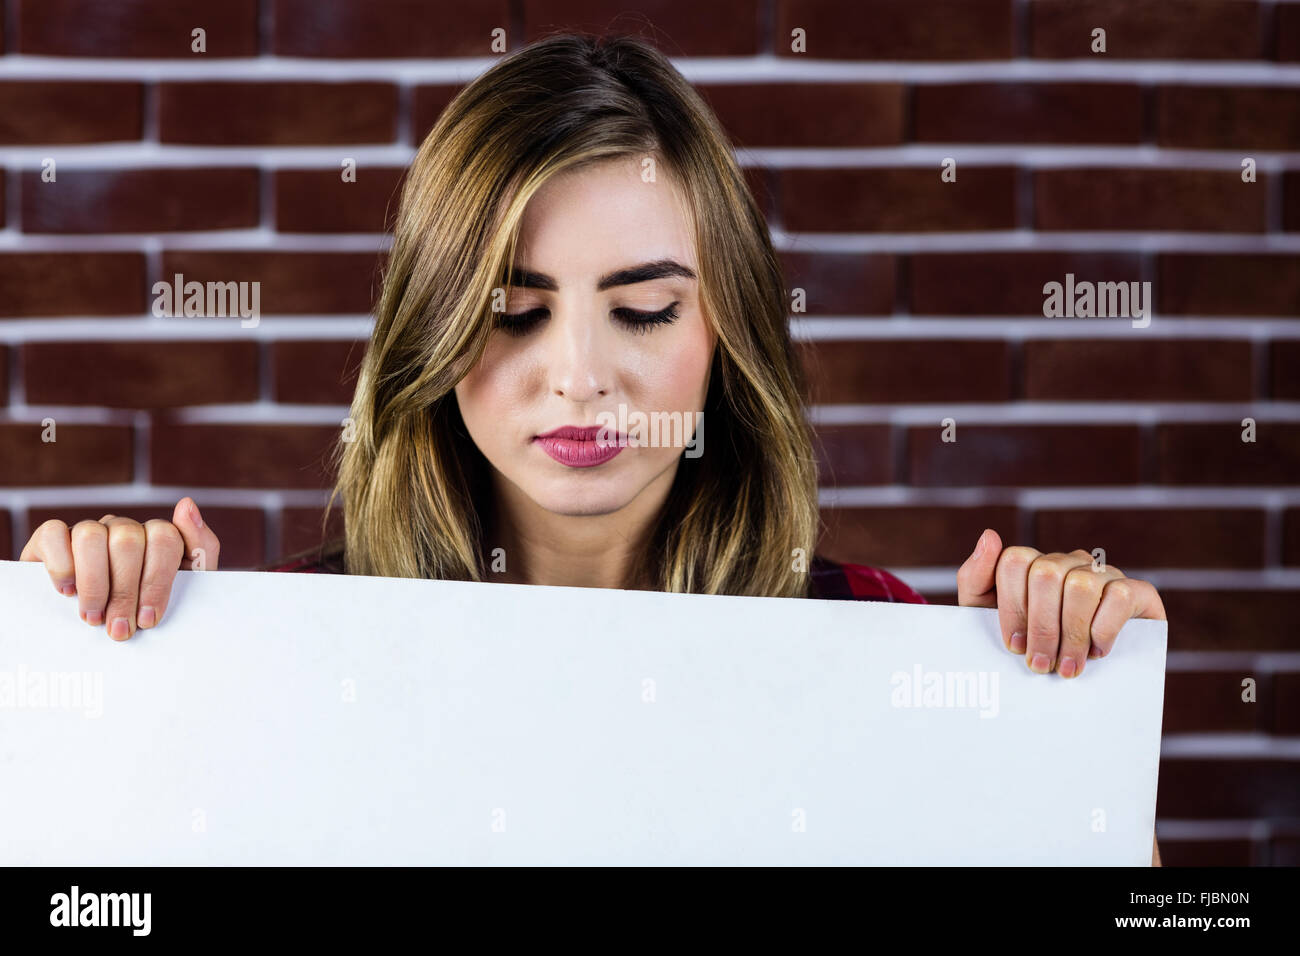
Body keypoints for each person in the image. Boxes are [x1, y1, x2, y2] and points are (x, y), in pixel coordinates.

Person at [18, 33, 1165, 865]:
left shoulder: (887, 643)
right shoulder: (276, 642)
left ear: (727, 329)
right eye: (515, 309)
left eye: (646, 308)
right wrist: (137, 700)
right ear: (433, 328)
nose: (578, 374)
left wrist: (1074, 750)